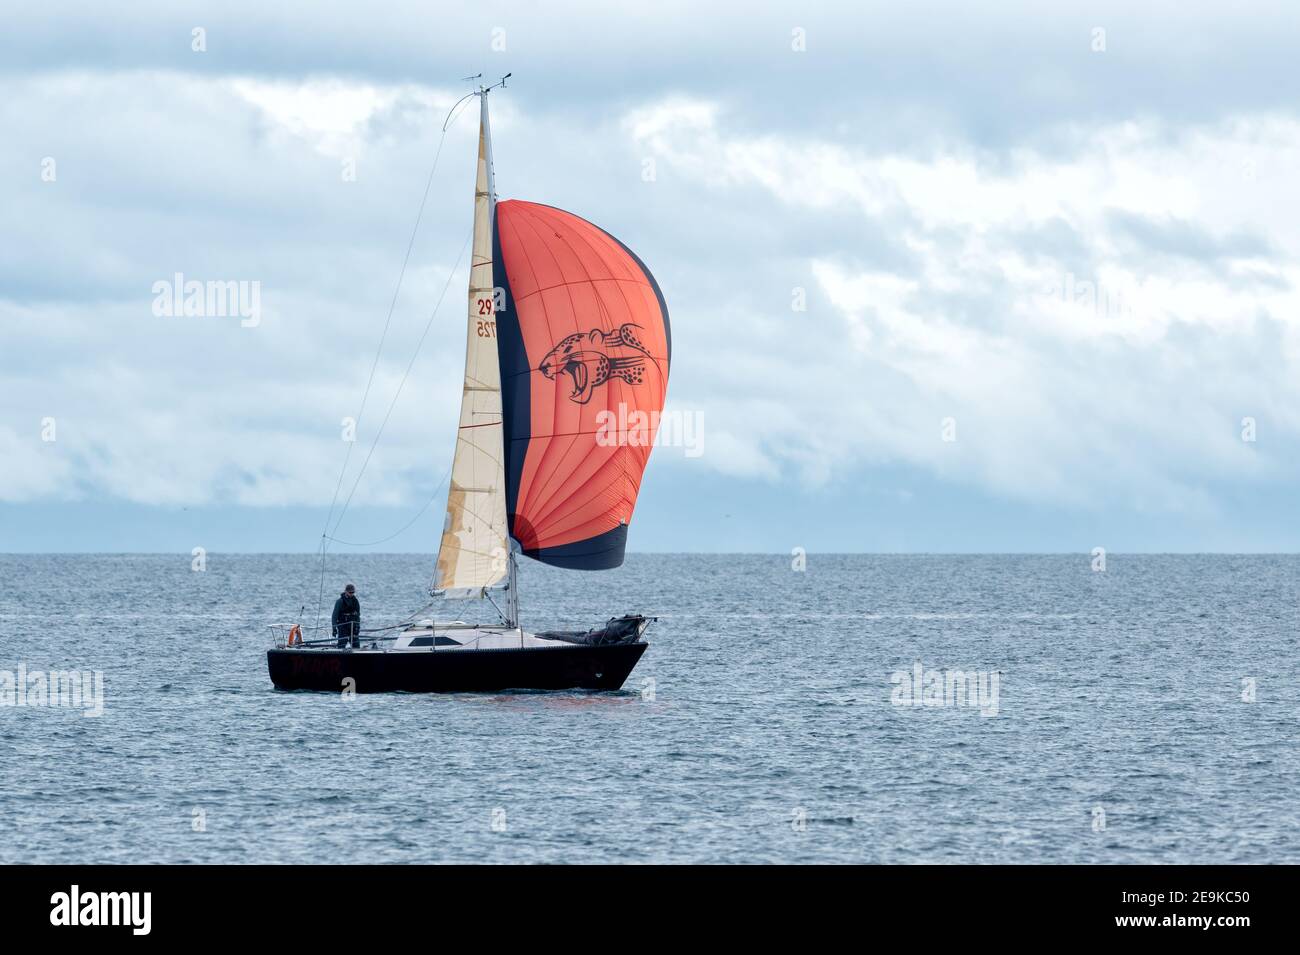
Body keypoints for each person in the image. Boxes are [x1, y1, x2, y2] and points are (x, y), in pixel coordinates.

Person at [332, 584, 361, 648]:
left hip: (353, 626)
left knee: (356, 645)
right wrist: (334, 628)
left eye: (353, 592)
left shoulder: (355, 601)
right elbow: (334, 616)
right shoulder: (340, 601)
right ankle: (339, 655)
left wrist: (358, 627)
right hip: (343, 626)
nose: (351, 594)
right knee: (342, 644)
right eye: (350, 592)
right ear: (346, 591)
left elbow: (358, 616)